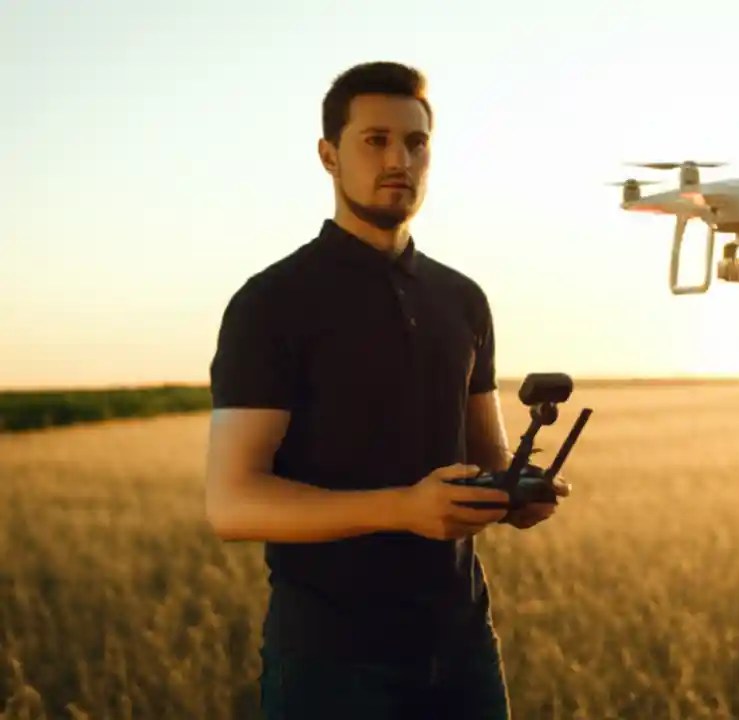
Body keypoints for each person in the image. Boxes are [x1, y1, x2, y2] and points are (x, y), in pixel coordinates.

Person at [203, 60, 569, 719]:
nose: (398, 158)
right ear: (328, 155)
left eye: (416, 142)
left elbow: (487, 459)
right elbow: (233, 503)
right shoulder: (272, 302)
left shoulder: (462, 299)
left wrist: (516, 493)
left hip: (462, 646)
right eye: (375, 140)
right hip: (330, 662)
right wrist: (402, 508)